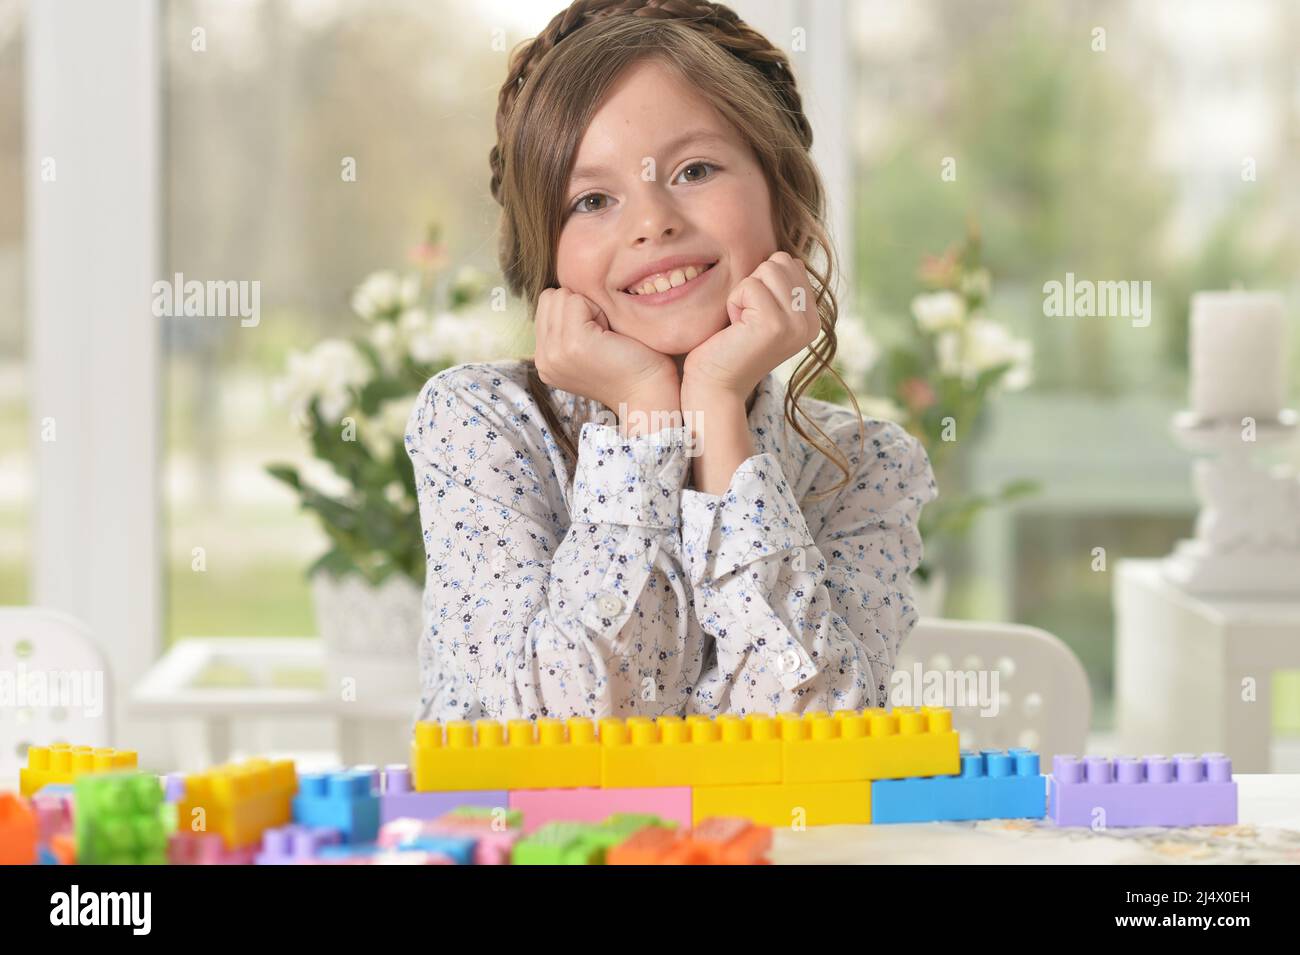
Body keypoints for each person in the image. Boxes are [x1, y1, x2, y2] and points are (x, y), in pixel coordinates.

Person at [405, 0, 938, 725]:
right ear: (547, 254)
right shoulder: (482, 425)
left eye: (694, 170)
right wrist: (646, 413)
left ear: (784, 201)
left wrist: (718, 409)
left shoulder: (865, 468)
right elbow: (556, 731)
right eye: (592, 199)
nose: (652, 221)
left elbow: (815, 731)